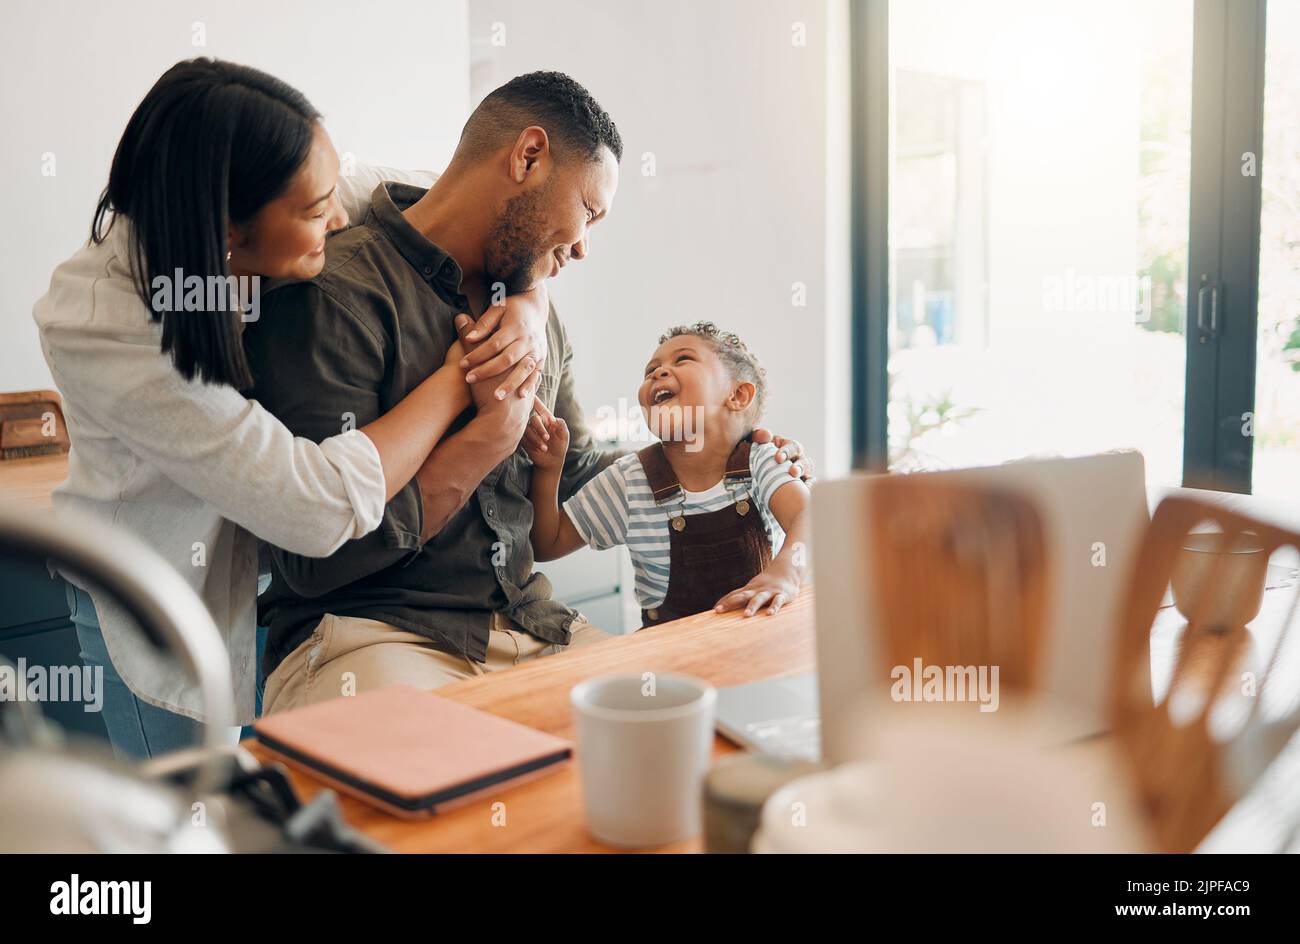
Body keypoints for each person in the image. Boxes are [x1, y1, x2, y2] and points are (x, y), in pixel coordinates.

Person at [32, 59, 548, 759]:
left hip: (279, 588)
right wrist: (462, 380)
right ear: (227, 233)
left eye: (331, 193)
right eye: (313, 212)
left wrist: (529, 307)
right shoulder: (100, 322)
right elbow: (315, 506)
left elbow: (474, 214)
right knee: (188, 819)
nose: (338, 217)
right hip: (162, 589)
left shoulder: (310, 189)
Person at [252, 72, 812, 713]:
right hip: (370, 637)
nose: (582, 247)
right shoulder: (338, 295)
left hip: (530, 624)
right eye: (588, 211)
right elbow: (314, 561)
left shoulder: (534, 314)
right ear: (527, 156)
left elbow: (572, 472)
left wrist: (719, 463)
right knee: (442, 787)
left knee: (689, 729)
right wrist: (484, 440)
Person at [528, 321, 811, 624]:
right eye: (650, 370)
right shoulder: (629, 480)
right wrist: (549, 468)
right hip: (667, 654)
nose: (657, 373)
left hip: (760, 634)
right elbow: (547, 542)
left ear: (738, 395)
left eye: (683, 359)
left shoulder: (761, 461)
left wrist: (786, 573)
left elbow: (811, 517)